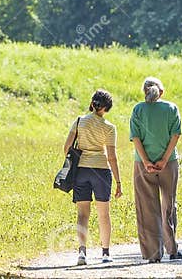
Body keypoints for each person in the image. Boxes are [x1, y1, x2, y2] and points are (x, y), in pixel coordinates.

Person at [62, 89, 122, 266]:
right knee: (103, 213)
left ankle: (82, 252)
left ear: (92, 103)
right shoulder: (109, 128)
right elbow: (111, 156)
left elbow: (66, 148)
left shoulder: (79, 122)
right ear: (107, 108)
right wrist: (118, 181)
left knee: (82, 214)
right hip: (101, 171)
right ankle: (105, 252)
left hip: (81, 171)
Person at [130, 76, 182, 263]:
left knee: (147, 207)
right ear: (161, 92)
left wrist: (146, 162)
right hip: (169, 164)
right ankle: (173, 249)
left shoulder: (137, 110)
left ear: (145, 92)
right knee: (168, 204)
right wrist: (164, 159)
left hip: (143, 166)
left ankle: (153, 254)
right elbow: (175, 135)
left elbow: (135, 137)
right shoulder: (171, 108)